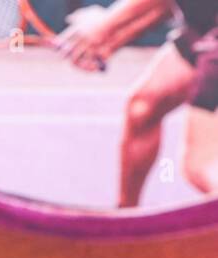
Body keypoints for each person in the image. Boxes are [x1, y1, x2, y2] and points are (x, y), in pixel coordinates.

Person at [57, 0, 218, 204]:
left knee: (200, 165)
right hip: (203, 29)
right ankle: (125, 220)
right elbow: (166, 6)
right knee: (143, 107)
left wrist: (103, 27)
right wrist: (112, 38)